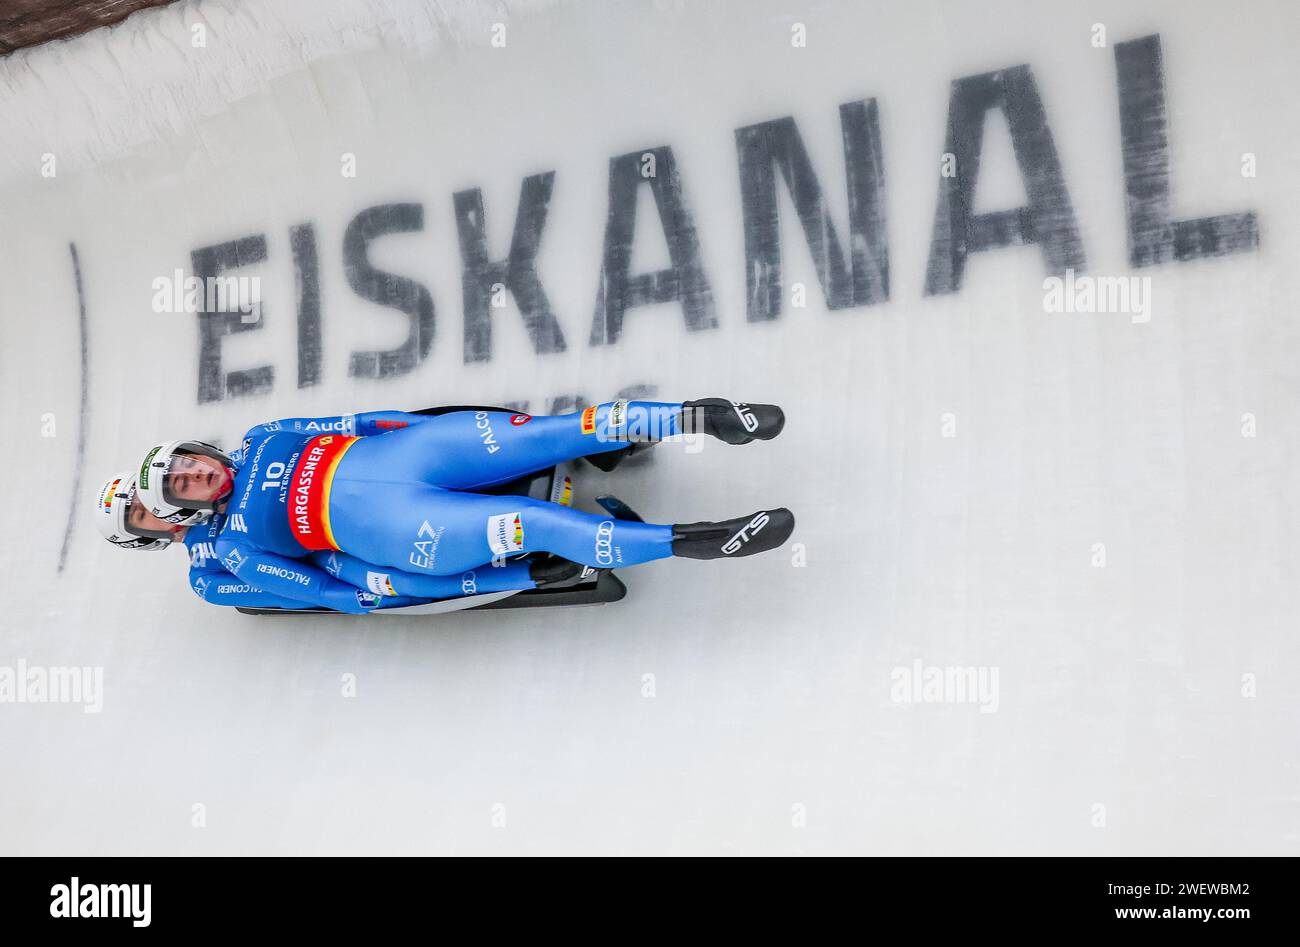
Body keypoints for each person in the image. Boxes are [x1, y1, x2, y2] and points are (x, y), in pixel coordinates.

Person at [99, 398, 795, 614]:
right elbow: (340, 590)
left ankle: (701, 414)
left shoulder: (265, 435)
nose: (196, 473)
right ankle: (699, 539)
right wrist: (509, 577)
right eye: (182, 485)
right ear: (175, 519)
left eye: (189, 461)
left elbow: (360, 423)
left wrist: (429, 420)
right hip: (400, 531)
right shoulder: (234, 552)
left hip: (416, 455)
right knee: (539, 525)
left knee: (558, 429)